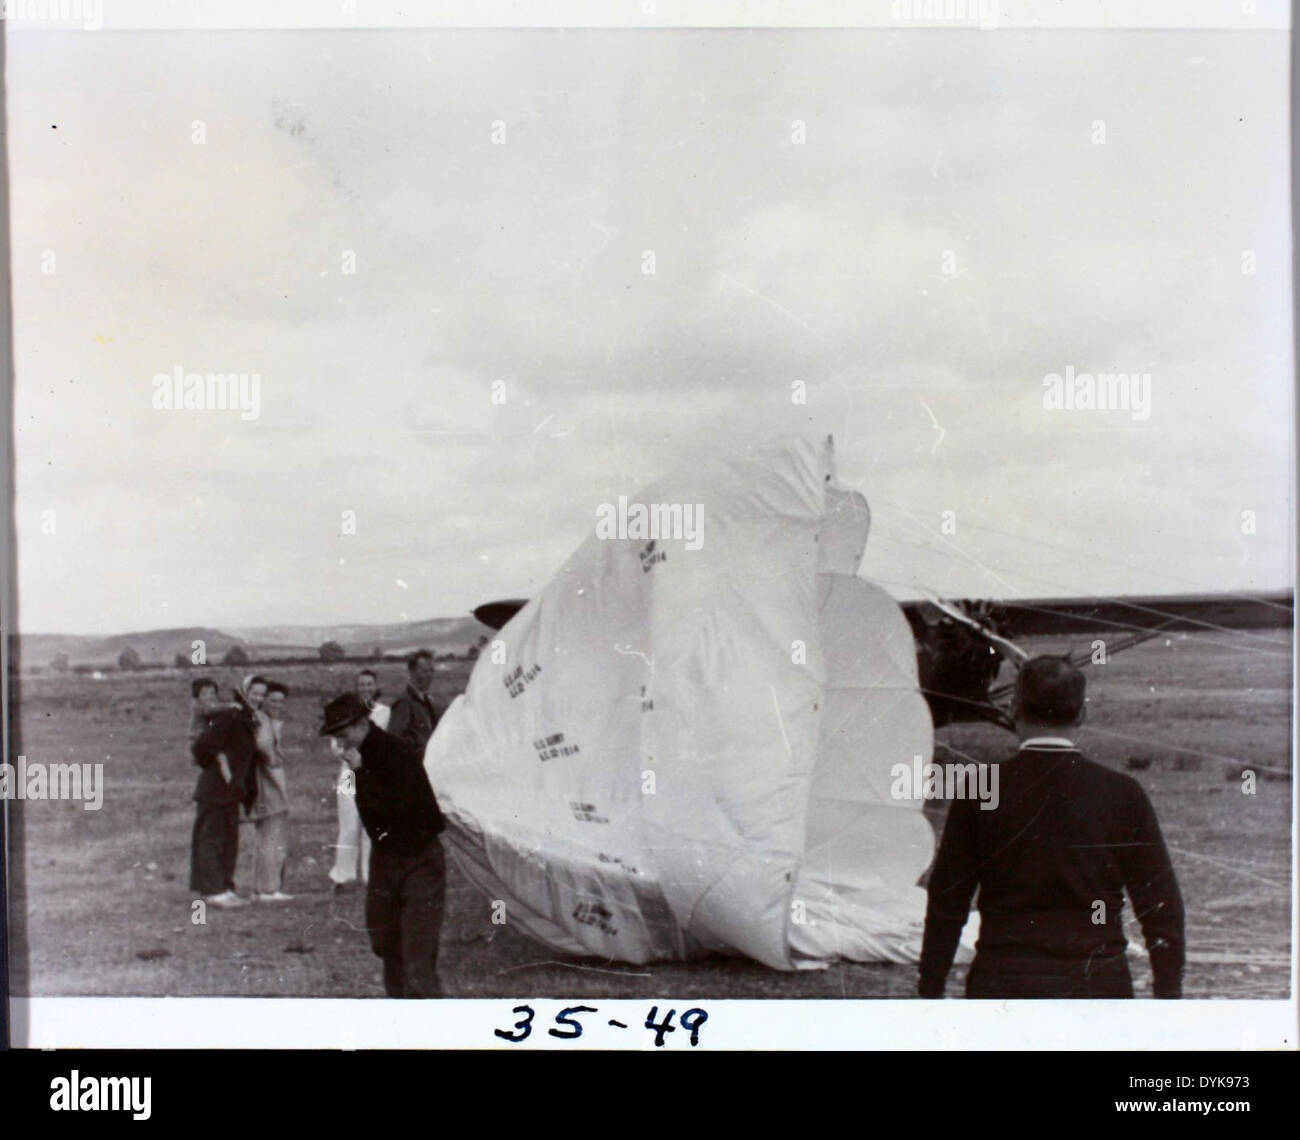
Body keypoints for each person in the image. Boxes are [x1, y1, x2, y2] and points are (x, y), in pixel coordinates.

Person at [919, 655, 1185, 999]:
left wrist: (930, 988)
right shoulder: (1123, 794)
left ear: (1014, 709)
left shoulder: (979, 789)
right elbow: (1161, 904)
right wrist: (1169, 993)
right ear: (1082, 713)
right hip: (1097, 985)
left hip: (1003, 985)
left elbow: (947, 902)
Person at [319, 692, 448, 997]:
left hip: (420, 859)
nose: (341, 743)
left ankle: (435, 1027)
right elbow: (373, 822)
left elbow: (393, 813)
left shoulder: (395, 753)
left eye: (344, 735)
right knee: (385, 943)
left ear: (363, 724)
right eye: (336, 738)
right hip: (387, 858)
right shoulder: (362, 755)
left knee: (416, 951)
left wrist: (361, 773)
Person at [190, 675, 266, 909]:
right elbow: (202, 746)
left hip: (231, 790)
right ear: (243, 693)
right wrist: (218, 766)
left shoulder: (246, 719)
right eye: (254, 693)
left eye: (262, 695)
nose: (258, 698)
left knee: (229, 840)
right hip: (214, 788)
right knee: (212, 838)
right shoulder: (230, 716)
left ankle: (224, 887)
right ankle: (212, 891)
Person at [329, 669, 390, 892]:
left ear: (375, 687)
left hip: (373, 774)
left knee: (371, 826)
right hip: (348, 773)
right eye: (361, 685)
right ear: (356, 688)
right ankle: (342, 876)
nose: (365, 688)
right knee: (348, 824)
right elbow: (336, 744)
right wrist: (346, 752)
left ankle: (370, 876)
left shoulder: (385, 712)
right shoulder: (345, 712)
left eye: (369, 684)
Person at [246, 681, 293, 902]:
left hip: (272, 783)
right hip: (267, 784)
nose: (276, 704)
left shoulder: (269, 720)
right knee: (270, 833)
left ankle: (267, 887)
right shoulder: (262, 721)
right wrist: (273, 758)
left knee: (271, 833)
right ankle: (267, 889)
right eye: (272, 700)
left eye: (280, 701)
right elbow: (262, 744)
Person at [387, 650, 441, 755]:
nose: (430, 675)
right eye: (424, 671)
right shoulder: (404, 703)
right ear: (412, 672)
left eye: (431, 671)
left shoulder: (427, 702)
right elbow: (394, 742)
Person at [188, 677, 221, 744]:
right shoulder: (197, 705)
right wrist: (231, 706)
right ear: (197, 696)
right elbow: (211, 710)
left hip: (205, 735)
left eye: (212, 693)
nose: (209, 697)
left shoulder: (211, 704)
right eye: (204, 694)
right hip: (197, 737)